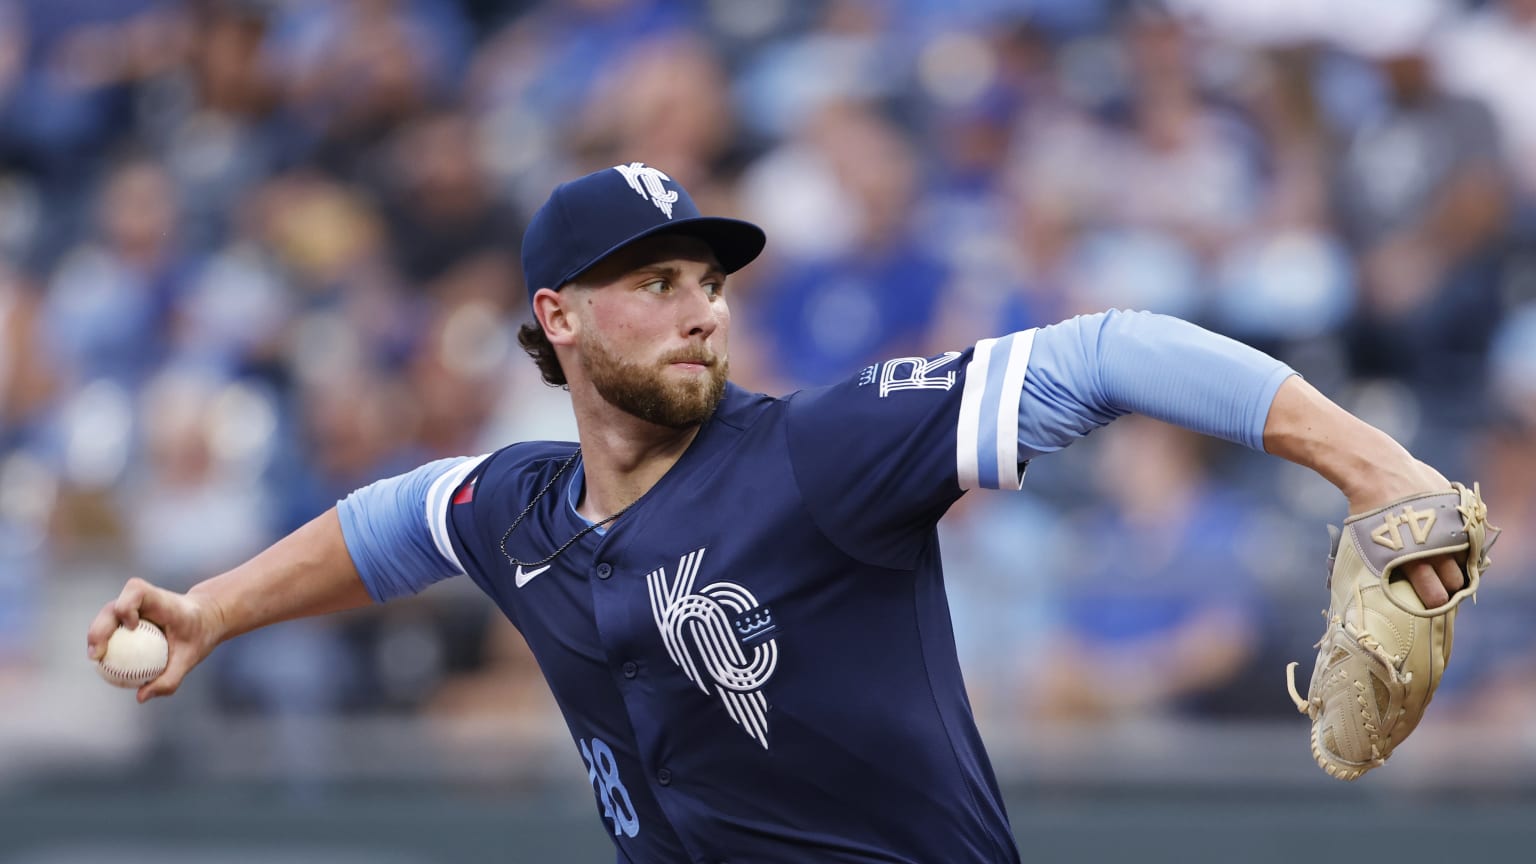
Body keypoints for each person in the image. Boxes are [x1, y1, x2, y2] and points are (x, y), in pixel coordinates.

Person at [87, 162, 1472, 863]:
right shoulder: (521, 505)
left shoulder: (823, 455)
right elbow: (396, 524)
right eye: (654, 282)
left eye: (708, 278)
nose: (698, 308)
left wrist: (1370, 466)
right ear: (556, 320)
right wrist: (210, 608)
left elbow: (1102, 352)